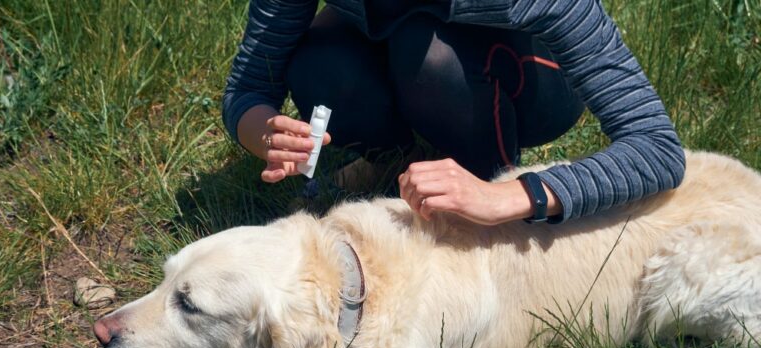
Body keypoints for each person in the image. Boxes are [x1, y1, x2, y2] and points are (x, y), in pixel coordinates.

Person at [223, 0, 686, 225]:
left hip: (531, 78)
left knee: (432, 62)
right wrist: (264, 133)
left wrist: (509, 197)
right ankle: (392, 156)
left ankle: (485, 173)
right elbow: (247, 89)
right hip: (408, 56)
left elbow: (657, 150)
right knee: (320, 60)